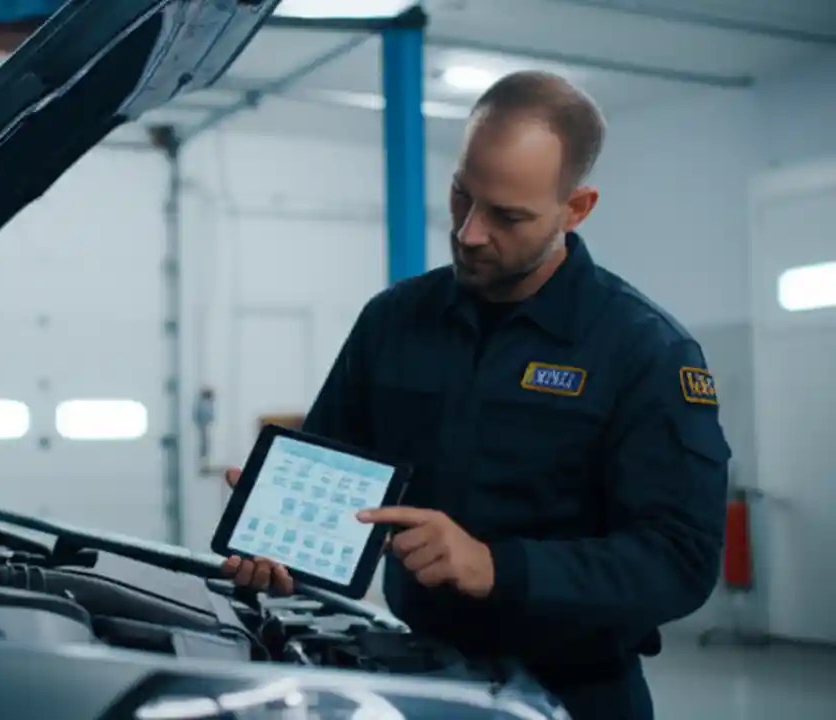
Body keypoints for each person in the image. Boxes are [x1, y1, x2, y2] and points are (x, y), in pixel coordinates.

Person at [219, 70, 731, 720]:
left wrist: (497, 567)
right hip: (416, 675)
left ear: (576, 208)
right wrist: (279, 536)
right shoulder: (394, 320)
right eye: (462, 195)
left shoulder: (644, 350)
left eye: (507, 216)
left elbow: (679, 560)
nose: (469, 233)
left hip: (576, 696)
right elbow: (335, 470)